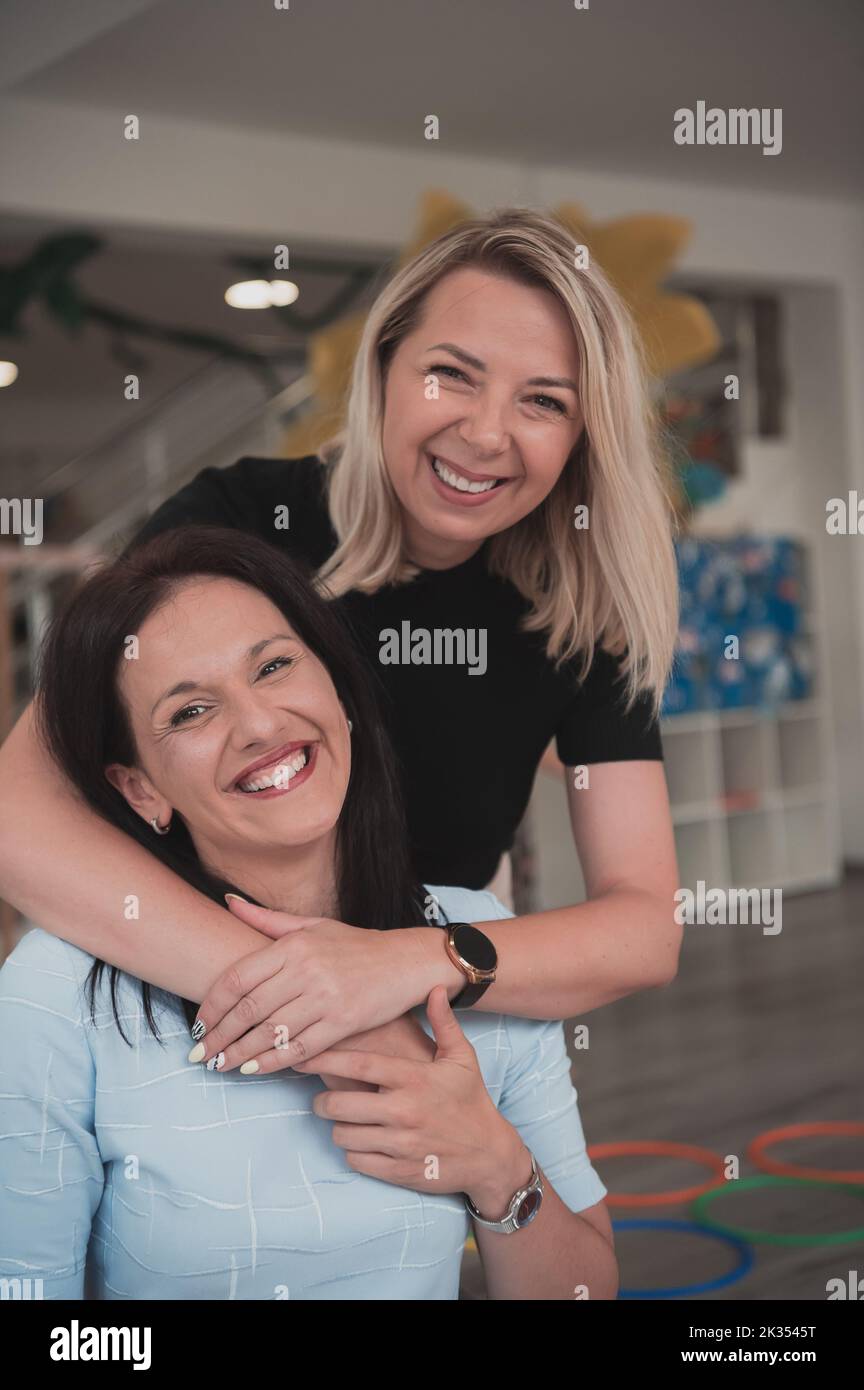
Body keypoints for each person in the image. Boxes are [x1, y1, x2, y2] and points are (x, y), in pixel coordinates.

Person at [0, 206, 681, 1074]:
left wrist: (404, 966)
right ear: (385, 368)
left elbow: (644, 925)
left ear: (585, 434)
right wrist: (316, 1003)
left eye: (543, 401)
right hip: (195, 1016)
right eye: (452, 375)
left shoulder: (583, 605)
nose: (483, 434)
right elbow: (19, 815)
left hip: (426, 1014)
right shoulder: (238, 523)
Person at [0, 526, 615, 1300]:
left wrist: (497, 1168)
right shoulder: (55, 993)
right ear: (139, 790)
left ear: (337, 688)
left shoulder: (470, 941)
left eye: (276, 665)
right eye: (191, 712)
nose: (259, 725)